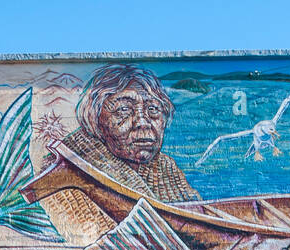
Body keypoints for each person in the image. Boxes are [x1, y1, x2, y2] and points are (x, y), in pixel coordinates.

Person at [60, 63, 200, 204]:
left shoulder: (165, 167)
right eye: (123, 109)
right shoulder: (68, 168)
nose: (142, 122)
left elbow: (201, 211)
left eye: (153, 109)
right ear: (95, 119)